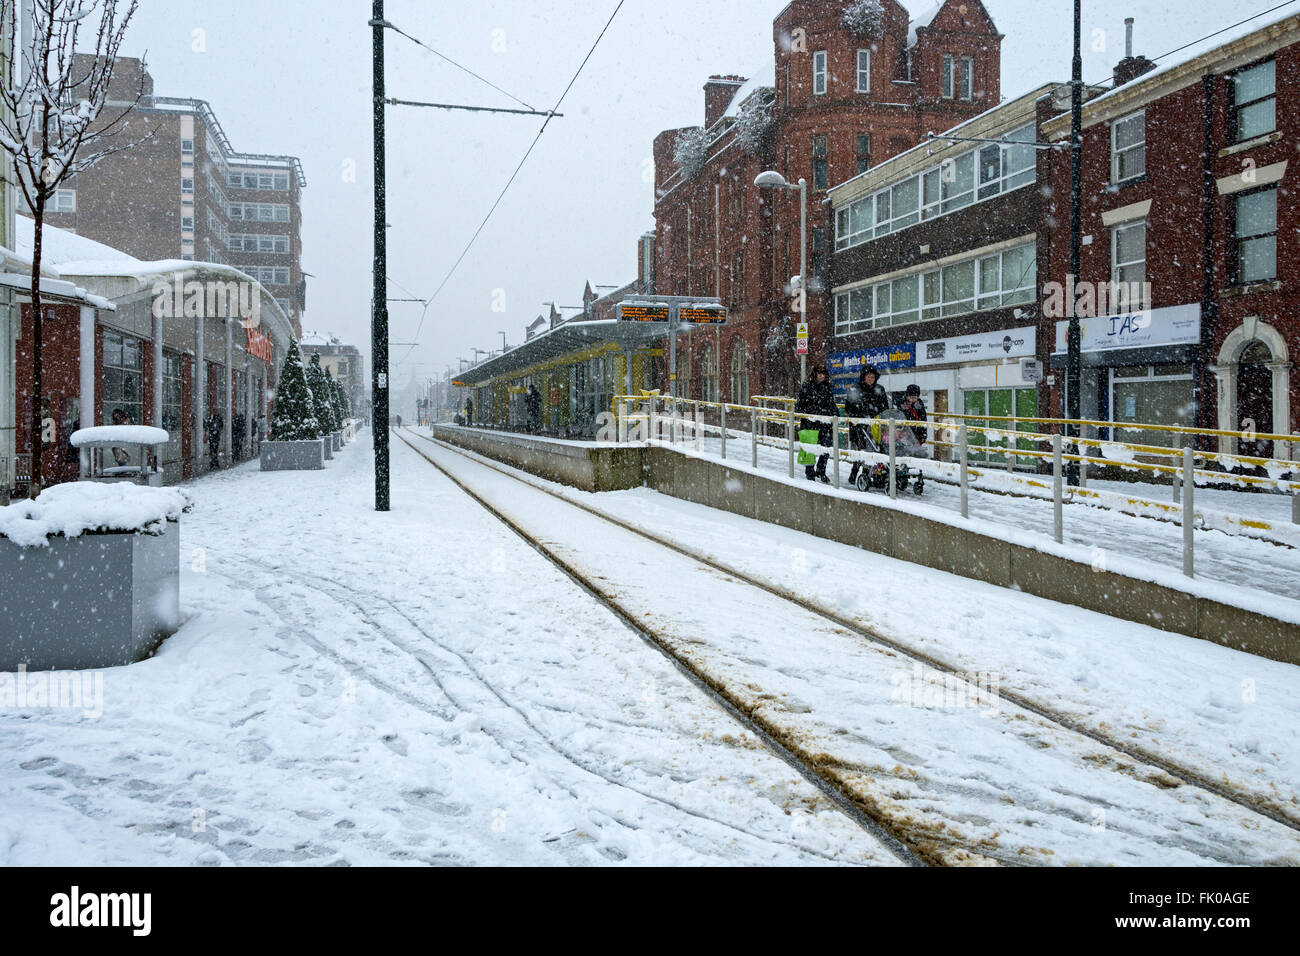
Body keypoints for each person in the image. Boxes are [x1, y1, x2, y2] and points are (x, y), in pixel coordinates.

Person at [843, 365, 889, 487]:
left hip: (875, 425)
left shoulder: (879, 389)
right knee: (861, 450)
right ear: (863, 377)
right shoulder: (855, 389)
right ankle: (854, 474)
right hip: (859, 425)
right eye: (868, 377)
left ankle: (867, 474)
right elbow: (849, 407)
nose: (870, 379)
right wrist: (854, 419)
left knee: (874, 449)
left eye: (873, 377)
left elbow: (884, 408)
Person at [795, 363, 838, 483]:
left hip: (824, 422)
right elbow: (799, 405)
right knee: (810, 448)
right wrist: (810, 412)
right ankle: (810, 472)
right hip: (810, 422)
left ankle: (821, 470)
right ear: (815, 374)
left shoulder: (827, 387)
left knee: (826, 446)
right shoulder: (807, 386)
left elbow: (831, 403)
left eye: (823, 374)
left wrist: (835, 414)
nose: (821, 376)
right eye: (819, 374)